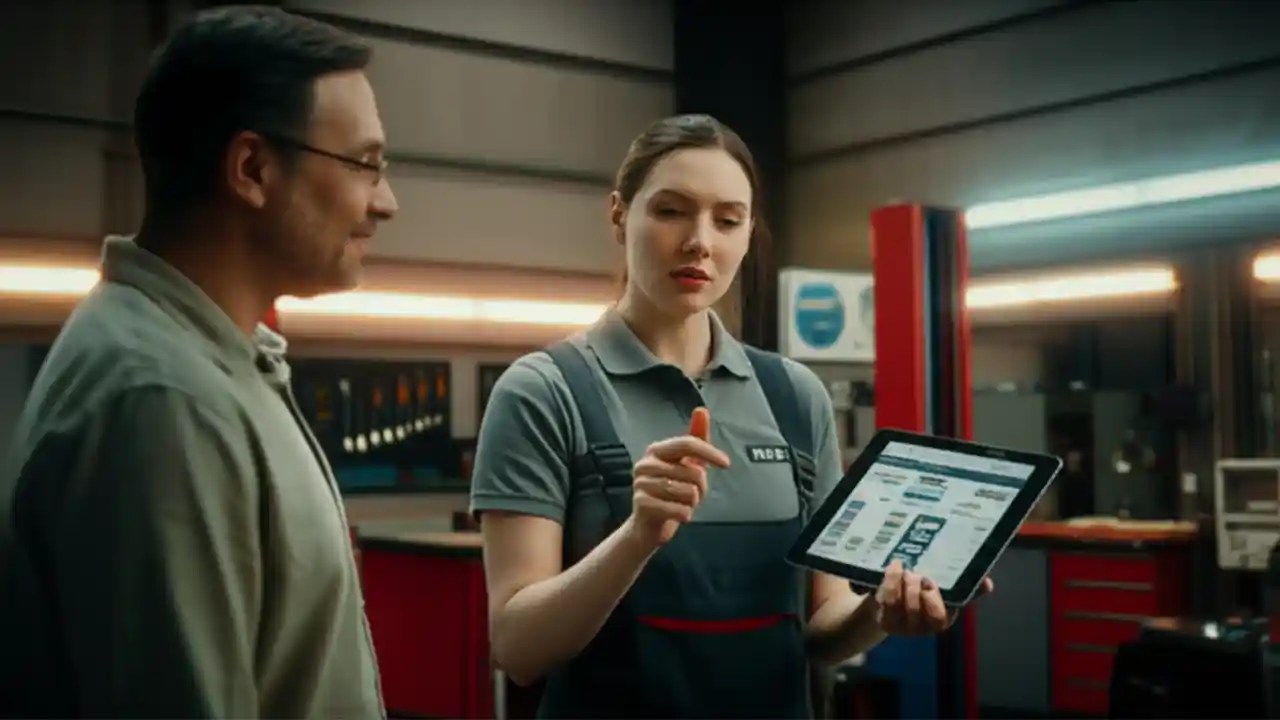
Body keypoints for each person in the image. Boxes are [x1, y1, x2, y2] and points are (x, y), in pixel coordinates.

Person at [470, 113, 992, 718]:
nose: (700, 241)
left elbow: (820, 626)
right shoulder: (543, 392)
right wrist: (637, 537)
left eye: (727, 220)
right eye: (671, 210)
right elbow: (519, 648)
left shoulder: (795, 397)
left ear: (747, 234)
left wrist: (880, 611)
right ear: (619, 214)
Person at [0, 5, 397, 717]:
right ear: (252, 169)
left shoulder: (214, 364)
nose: (386, 202)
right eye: (365, 165)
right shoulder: (162, 402)